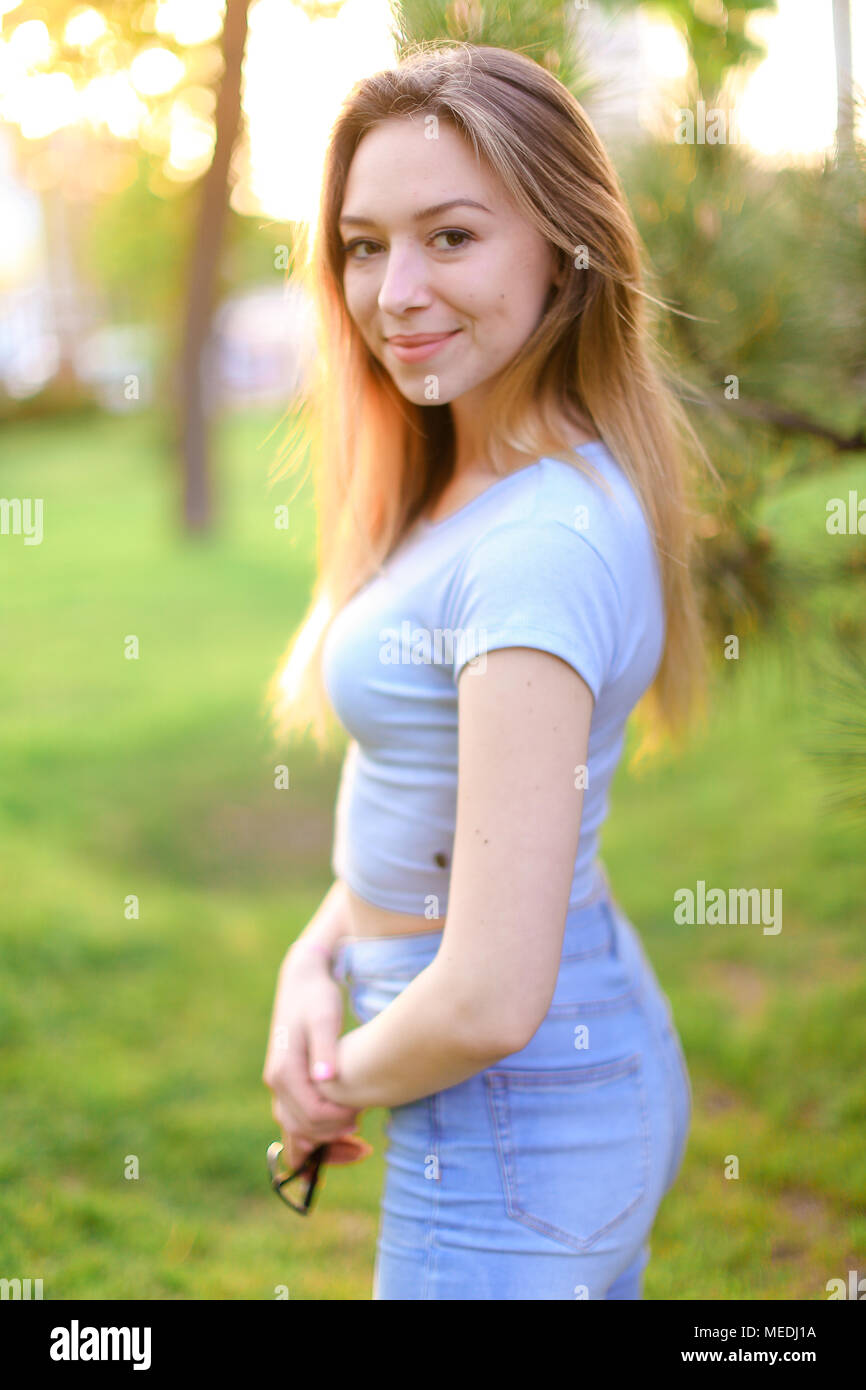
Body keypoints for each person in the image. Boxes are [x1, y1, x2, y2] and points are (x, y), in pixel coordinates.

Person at [262, 42, 710, 1300]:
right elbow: (439, 812)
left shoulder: (534, 548)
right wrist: (317, 954)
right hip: (531, 1108)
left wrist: (317, 1088)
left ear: (563, 247)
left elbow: (487, 995)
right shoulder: (476, 481)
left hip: (515, 1131)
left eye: (449, 237)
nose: (393, 289)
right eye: (360, 245)